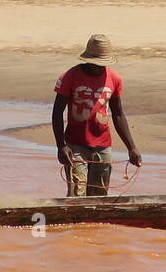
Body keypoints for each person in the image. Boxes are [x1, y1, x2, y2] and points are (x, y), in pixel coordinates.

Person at [52, 34, 143, 197]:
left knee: (99, 196)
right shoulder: (69, 77)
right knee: (77, 194)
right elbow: (57, 113)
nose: (98, 68)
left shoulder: (114, 79)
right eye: (95, 64)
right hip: (75, 145)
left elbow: (118, 115)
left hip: (102, 145)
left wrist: (132, 148)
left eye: (102, 64)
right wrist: (61, 146)